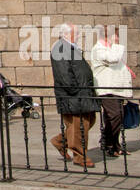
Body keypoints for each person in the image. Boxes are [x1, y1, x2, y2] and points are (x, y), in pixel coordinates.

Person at [50, 26, 100, 167]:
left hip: (82, 93)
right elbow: (63, 74)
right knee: (80, 125)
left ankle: (60, 141)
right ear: (66, 34)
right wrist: (75, 91)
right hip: (74, 95)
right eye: (76, 33)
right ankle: (79, 156)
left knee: (89, 120)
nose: (78, 35)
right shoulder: (60, 48)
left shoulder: (71, 48)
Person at [90, 29, 132, 158]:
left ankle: (114, 144)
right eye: (116, 36)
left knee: (113, 117)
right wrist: (115, 44)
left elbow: (116, 63)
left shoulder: (108, 49)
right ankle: (108, 143)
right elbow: (112, 59)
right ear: (108, 37)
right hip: (106, 89)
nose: (118, 38)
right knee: (115, 115)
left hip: (115, 88)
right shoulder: (99, 49)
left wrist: (127, 70)